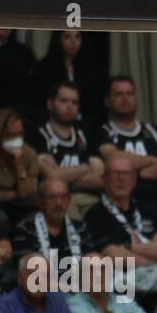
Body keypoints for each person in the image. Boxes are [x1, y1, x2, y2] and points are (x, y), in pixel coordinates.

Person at [96, 75, 157, 239]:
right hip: (127, 199)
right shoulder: (102, 132)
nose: (125, 99)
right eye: (119, 94)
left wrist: (137, 173)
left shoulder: (155, 130)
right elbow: (114, 157)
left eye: (129, 93)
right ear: (107, 101)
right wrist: (153, 161)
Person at [82, 152, 157, 299]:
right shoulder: (95, 214)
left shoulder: (148, 208)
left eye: (126, 174)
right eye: (115, 174)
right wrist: (154, 255)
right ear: (104, 179)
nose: (121, 179)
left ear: (134, 180)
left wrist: (129, 247)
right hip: (125, 290)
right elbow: (113, 255)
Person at [33, 81, 104, 217]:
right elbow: (51, 176)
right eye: (64, 101)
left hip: (90, 198)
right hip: (56, 199)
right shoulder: (38, 134)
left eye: (74, 102)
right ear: (50, 104)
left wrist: (63, 176)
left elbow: (102, 178)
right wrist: (86, 167)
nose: (70, 106)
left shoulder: (87, 132)